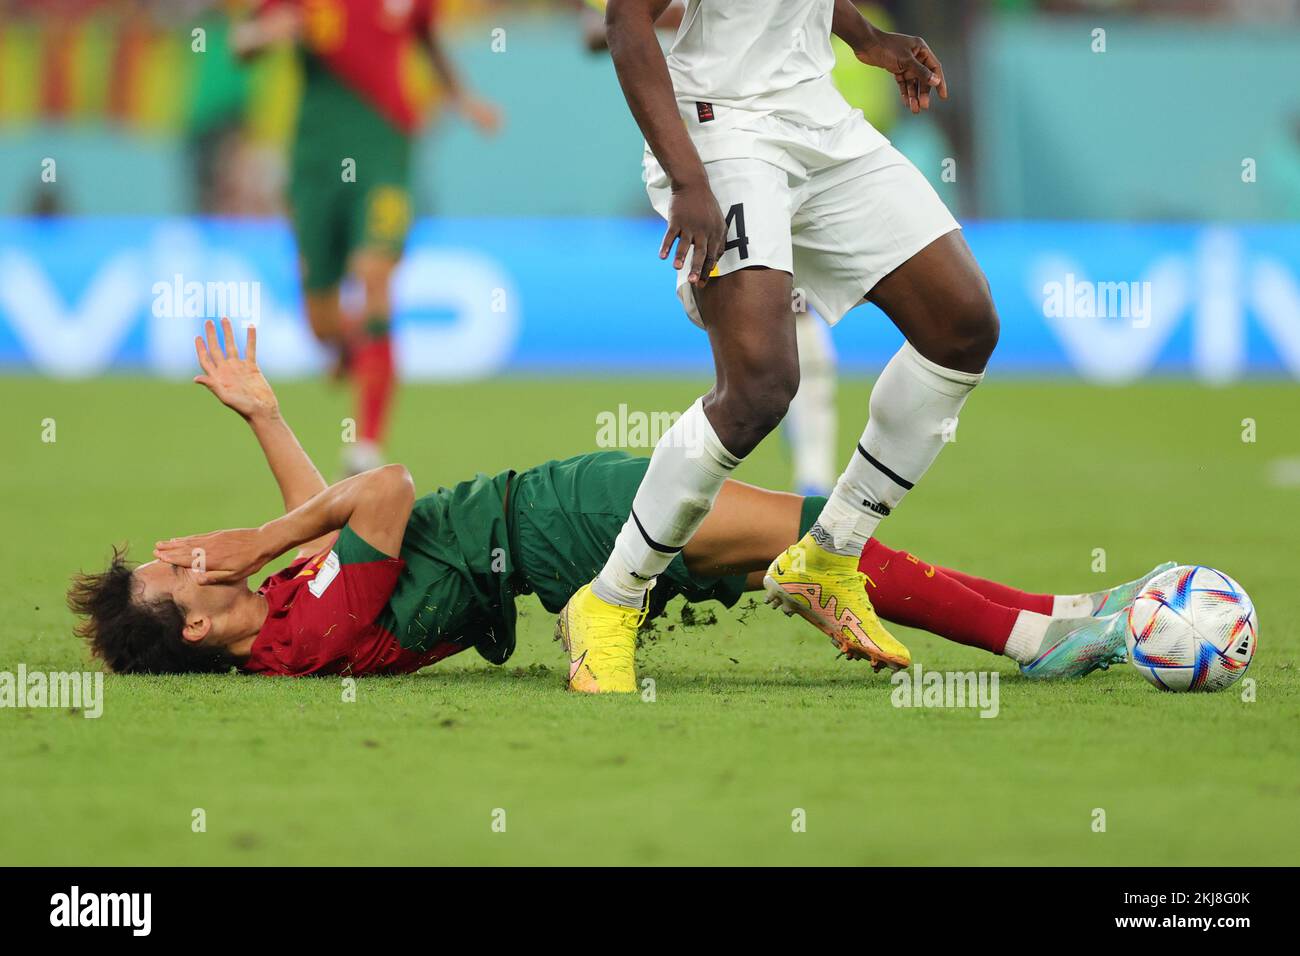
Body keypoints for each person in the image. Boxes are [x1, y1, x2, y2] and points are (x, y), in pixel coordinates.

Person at [67, 321, 1167, 685]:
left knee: (824, 548)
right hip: (561, 522)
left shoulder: (288, 622)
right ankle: (1044, 627)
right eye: (182, 571)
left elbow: (335, 524)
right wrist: (254, 534)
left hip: (544, 533)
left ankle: (1050, 626)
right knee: (826, 531)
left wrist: (264, 418)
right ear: (201, 623)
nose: (195, 552)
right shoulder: (302, 638)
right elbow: (386, 489)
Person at [558, 0, 1001, 691]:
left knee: (963, 324)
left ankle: (828, 556)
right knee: (760, 387)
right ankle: (610, 599)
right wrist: (687, 178)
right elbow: (625, 21)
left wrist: (867, 37)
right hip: (723, 129)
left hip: (817, 117)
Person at [232, 0, 500, 475]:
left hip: (385, 151)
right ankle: (356, 350)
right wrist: (265, 35)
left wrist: (462, 97)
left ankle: (366, 445)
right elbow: (242, 43)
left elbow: (428, 38)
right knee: (321, 325)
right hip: (315, 160)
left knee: (375, 275)